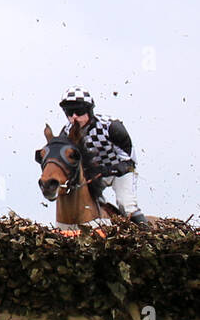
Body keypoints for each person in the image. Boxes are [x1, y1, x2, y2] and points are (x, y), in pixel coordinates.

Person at [58, 86, 147, 223]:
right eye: (69, 112)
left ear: (89, 110)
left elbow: (130, 161)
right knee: (87, 205)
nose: (74, 117)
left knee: (127, 206)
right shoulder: (67, 133)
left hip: (120, 173)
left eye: (79, 111)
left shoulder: (110, 127)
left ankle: (145, 235)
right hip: (94, 176)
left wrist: (107, 170)